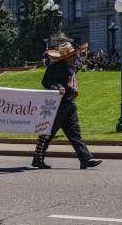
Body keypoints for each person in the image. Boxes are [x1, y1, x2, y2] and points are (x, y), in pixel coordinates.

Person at [31, 41, 103, 170]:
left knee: (74, 133)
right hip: (58, 106)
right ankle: (38, 159)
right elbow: (46, 81)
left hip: (69, 105)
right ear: (65, 57)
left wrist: (83, 56)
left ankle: (85, 159)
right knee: (48, 133)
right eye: (73, 56)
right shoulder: (55, 68)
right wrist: (58, 87)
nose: (75, 58)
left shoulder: (71, 66)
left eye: (76, 55)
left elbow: (78, 65)